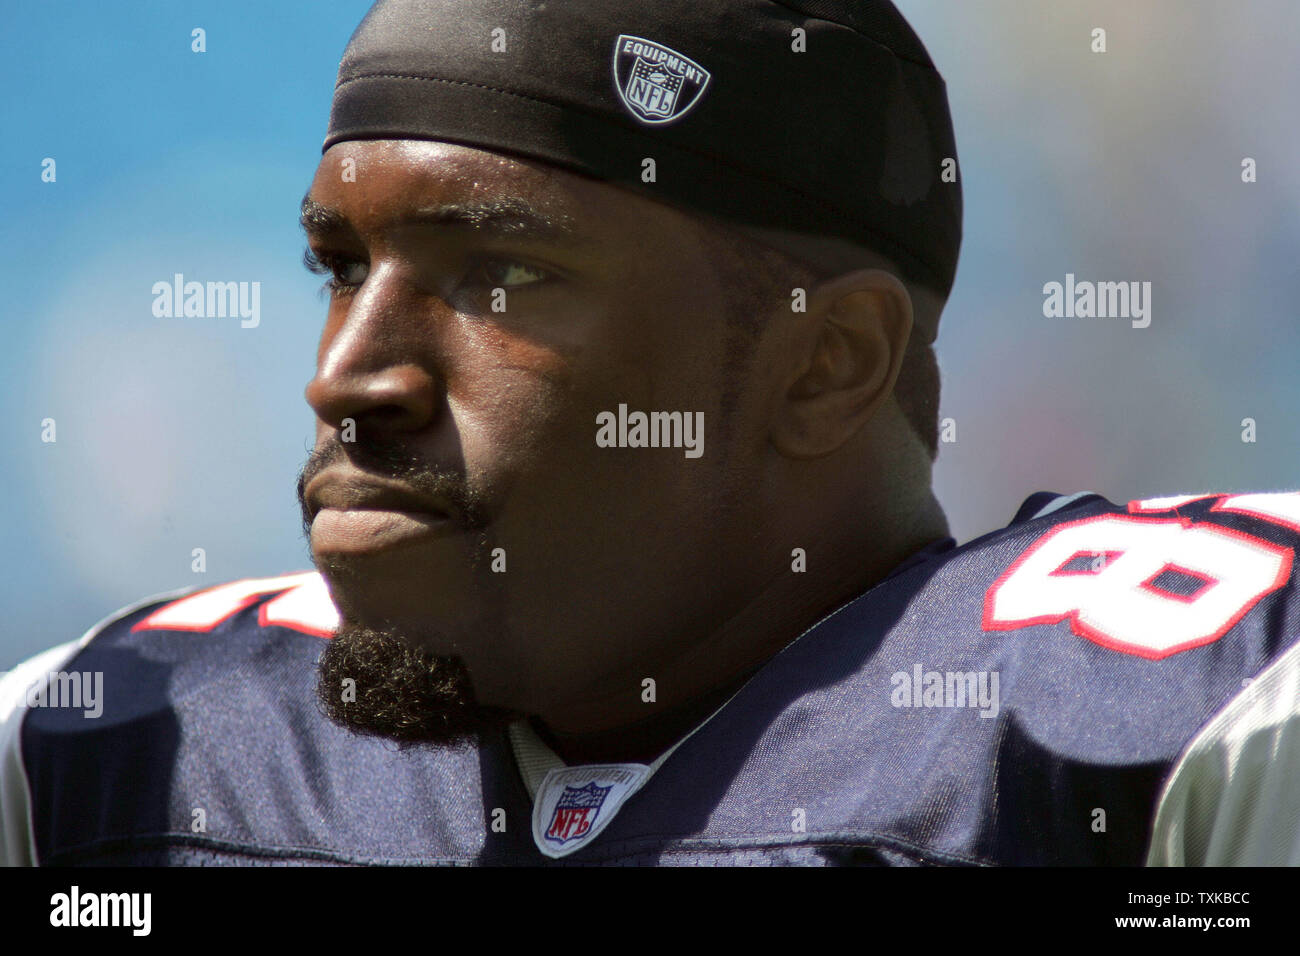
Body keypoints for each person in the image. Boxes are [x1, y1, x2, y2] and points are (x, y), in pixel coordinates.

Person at [2, 0, 1296, 866]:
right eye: (337, 267)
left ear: (825, 365)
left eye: (499, 278)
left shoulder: (1174, 712)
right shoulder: (115, 755)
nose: (346, 378)